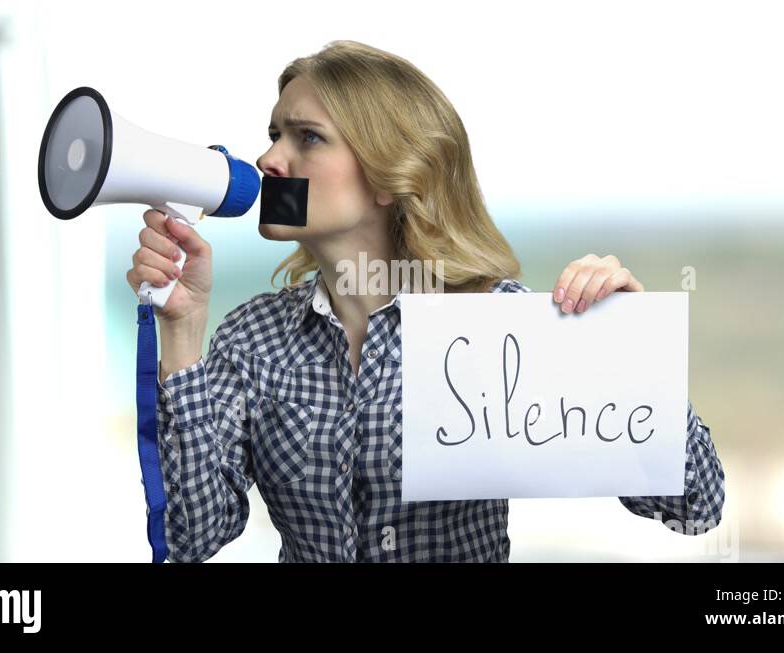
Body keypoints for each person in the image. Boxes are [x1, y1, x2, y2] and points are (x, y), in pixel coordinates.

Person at [125, 40, 725, 563]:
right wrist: (181, 331)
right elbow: (190, 536)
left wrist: (625, 353)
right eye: (274, 134)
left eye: (307, 137)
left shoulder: (503, 325)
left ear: (391, 175)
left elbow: (695, 505)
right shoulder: (253, 339)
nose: (269, 160)